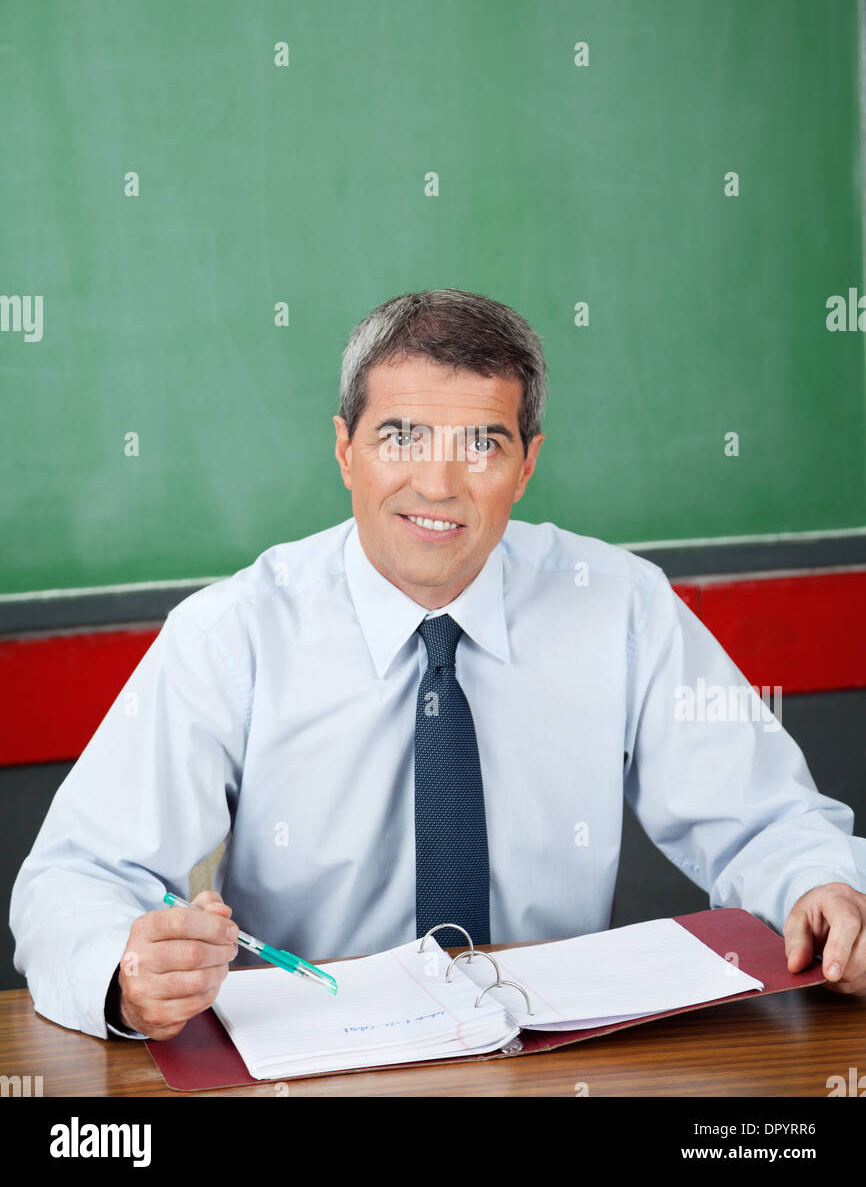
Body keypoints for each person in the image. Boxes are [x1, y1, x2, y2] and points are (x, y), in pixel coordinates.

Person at [10, 288, 866, 1041]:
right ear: (345, 450)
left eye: (482, 444)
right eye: (401, 437)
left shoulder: (621, 604)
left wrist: (823, 887)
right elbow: (75, 879)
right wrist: (125, 972)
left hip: (551, 1059)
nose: (438, 483)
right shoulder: (231, 633)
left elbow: (765, 819)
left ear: (527, 466)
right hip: (315, 1061)